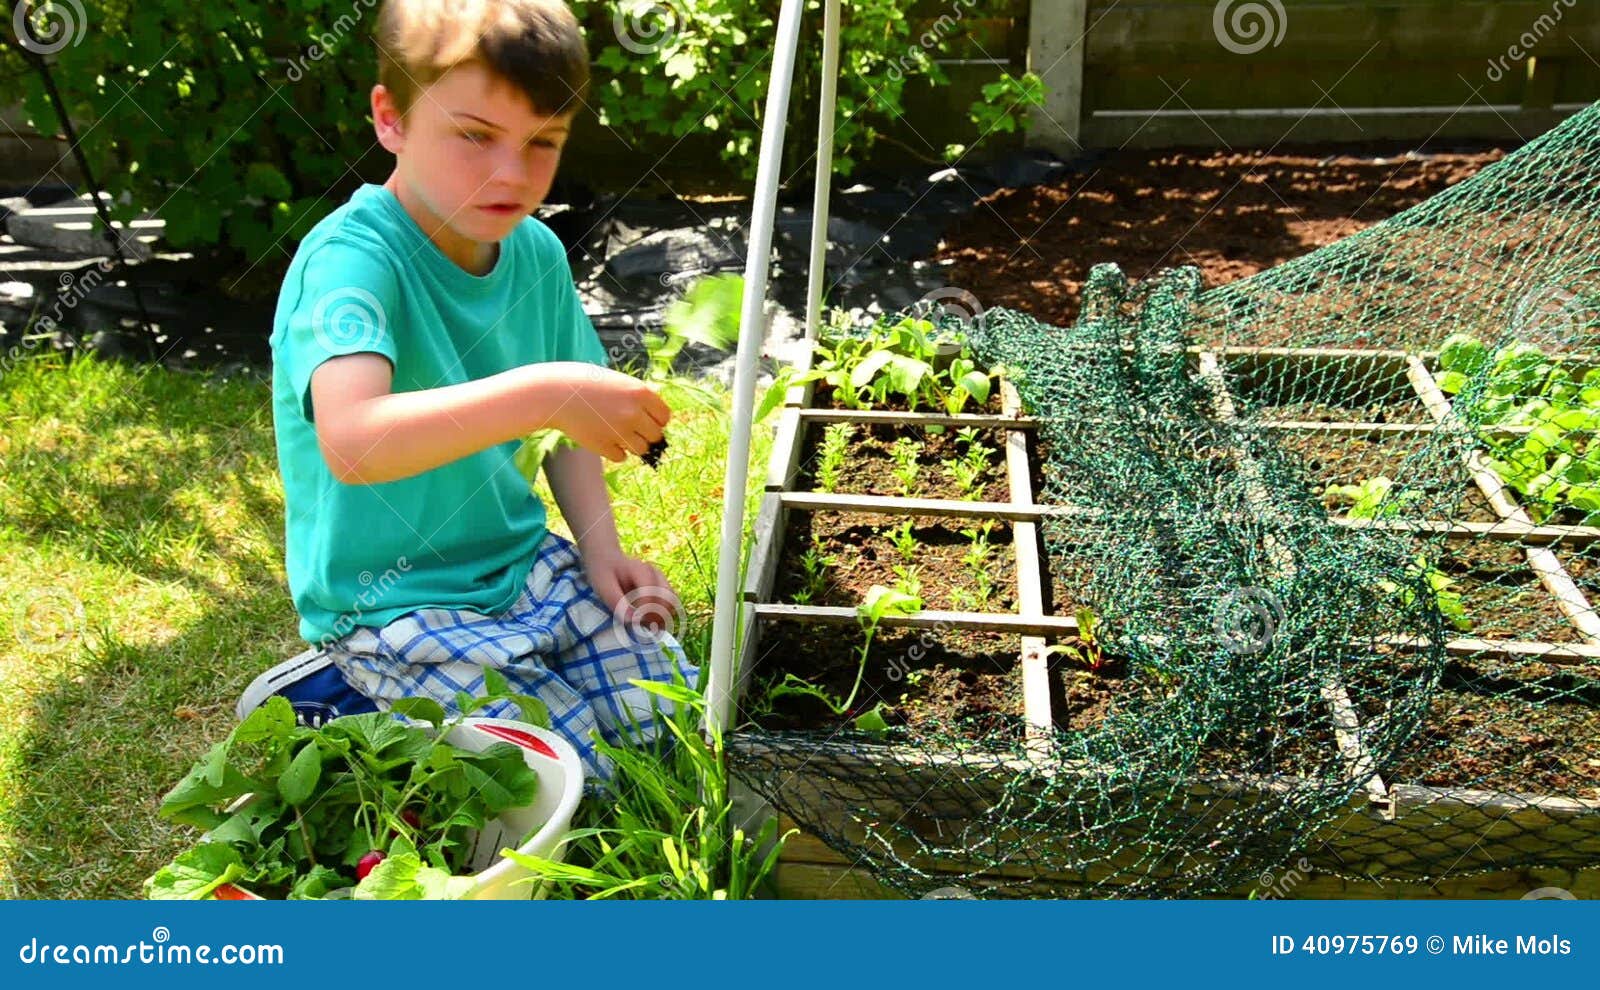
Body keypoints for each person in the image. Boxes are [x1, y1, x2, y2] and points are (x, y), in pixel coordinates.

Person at [237, 0, 696, 781]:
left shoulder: (535, 253)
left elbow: (568, 434)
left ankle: (443, 691)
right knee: (569, 780)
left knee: (669, 725)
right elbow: (354, 441)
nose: (511, 174)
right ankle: (335, 693)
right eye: (475, 136)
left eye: (542, 143)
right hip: (393, 604)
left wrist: (602, 552)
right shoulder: (352, 261)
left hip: (519, 565)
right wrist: (545, 393)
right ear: (392, 119)